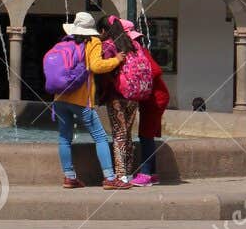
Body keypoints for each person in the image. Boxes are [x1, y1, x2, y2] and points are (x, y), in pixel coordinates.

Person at [50, 12, 125, 190]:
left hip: (59, 98)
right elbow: (96, 66)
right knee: (100, 136)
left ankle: (69, 177)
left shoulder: (64, 42)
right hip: (81, 98)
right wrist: (116, 60)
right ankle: (109, 178)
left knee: (64, 138)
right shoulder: (93, 42)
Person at [98, 14, 140, 187]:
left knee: (118, 134)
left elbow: (102, 68)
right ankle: (128, 173)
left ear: (103, 30)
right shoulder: (133, 44)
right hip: (133, 94)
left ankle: (120, 176)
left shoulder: (108, 45)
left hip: (117, 95)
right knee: (128, 134)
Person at [132, 35, 170, 186]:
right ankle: (153, 174)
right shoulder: (138, 52)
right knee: (146, 135)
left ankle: (146, 174)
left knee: (146, 134)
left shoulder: (141, 52)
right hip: (151, 98)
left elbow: (156, 71)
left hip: (155, 99)